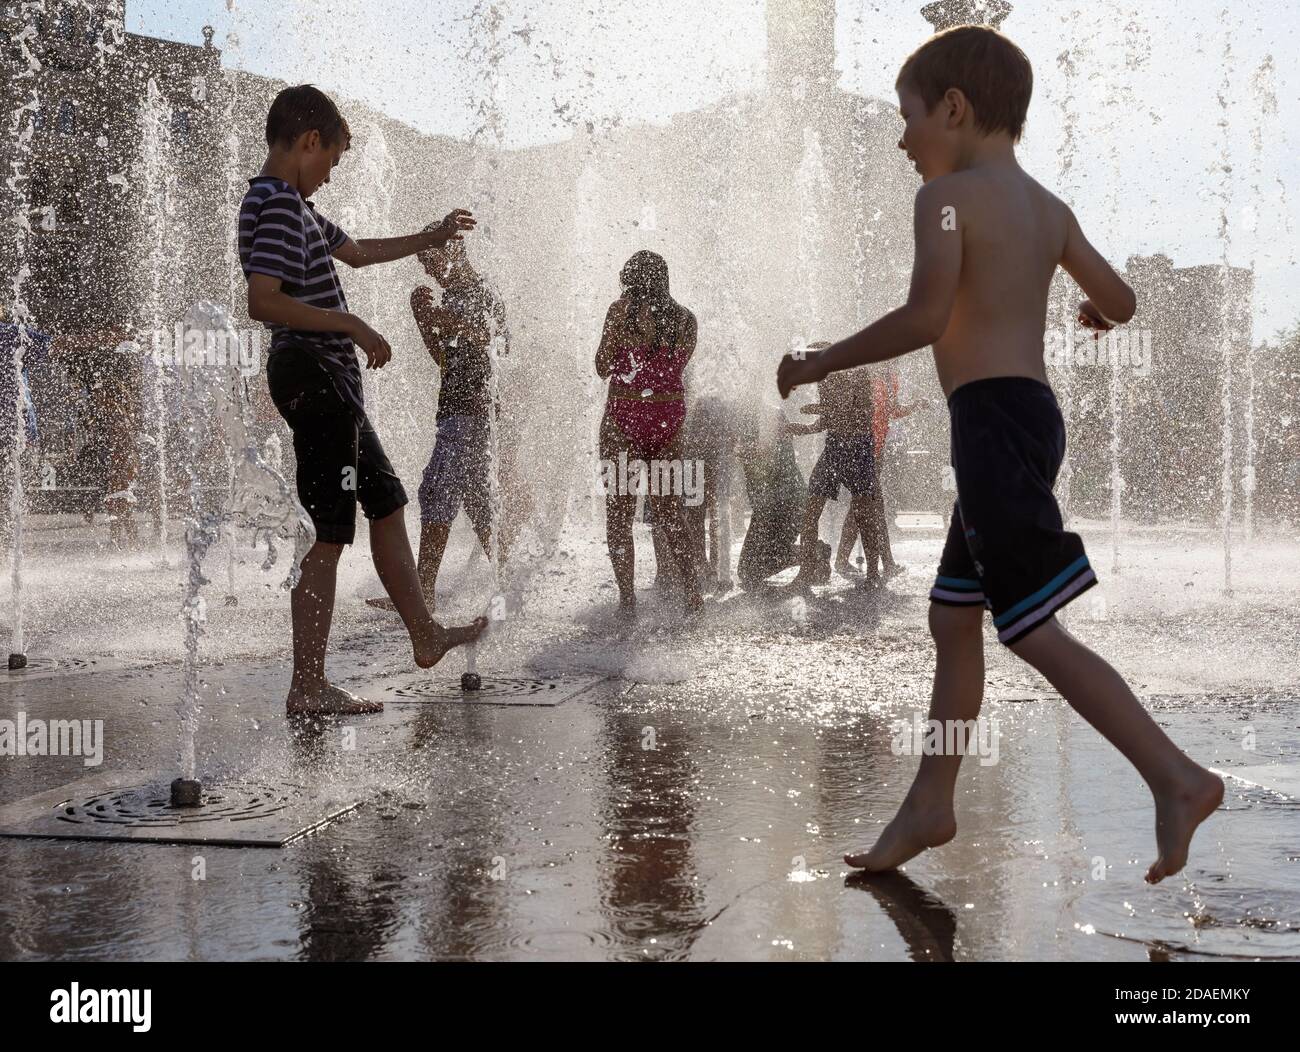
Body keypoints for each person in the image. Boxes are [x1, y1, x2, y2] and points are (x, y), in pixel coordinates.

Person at [776, 26, 1222, 883]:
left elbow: (925, 318)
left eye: (908, 119)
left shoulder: (945, 201)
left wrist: (821, 359)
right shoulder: (1049, 209)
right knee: (954, 618)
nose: (902, 140)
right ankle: (931, 800)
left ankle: (1174, 776)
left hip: (987, 426)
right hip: (1029, 418)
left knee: (1028, 627)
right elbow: (1120, 300)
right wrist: (1091, 312)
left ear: (953, 108)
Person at [240, 84, 485, 716]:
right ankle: (308, 685)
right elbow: (262, 300)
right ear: (309, 141)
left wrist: (424, 236)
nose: (330, 175)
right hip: (312, 377)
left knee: (387, 502)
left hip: (333, 387)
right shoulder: (272, 203)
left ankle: (424, 635)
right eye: (332, 160)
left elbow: (357, 253)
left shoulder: (297, 206)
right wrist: (351, 326)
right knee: (328, 533)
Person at [409, 238, 518, 611]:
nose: (427, 270)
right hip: (456, 409)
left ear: (453, 252)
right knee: (477, 502)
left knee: (437, 491)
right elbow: (444, 357)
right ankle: (509, 585)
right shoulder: (450, 298)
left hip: (473, 412)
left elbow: (500, 348)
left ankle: (423, 593)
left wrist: (447, 320)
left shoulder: (484, 291)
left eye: (430, 259)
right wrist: (425, 321)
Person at [594, 251, 702, 621]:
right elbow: (674, 369)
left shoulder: (620, 312)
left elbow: (601, 366)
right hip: (667, 420)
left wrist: (617, 327)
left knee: (619, 515)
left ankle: (627, 602)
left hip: (624, 417)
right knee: (672, 513)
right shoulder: (686, 320)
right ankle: (693, 597)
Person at [787, 354, 876, 592]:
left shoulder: (851, 372)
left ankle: (874, 573)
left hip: (859, 448)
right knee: (810, 512)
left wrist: (818, 408)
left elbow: (845, 411)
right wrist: (805, 429)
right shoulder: (825, 379)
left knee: (865, 514)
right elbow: (830, 420)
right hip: (835, 447)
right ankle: (805, 573)